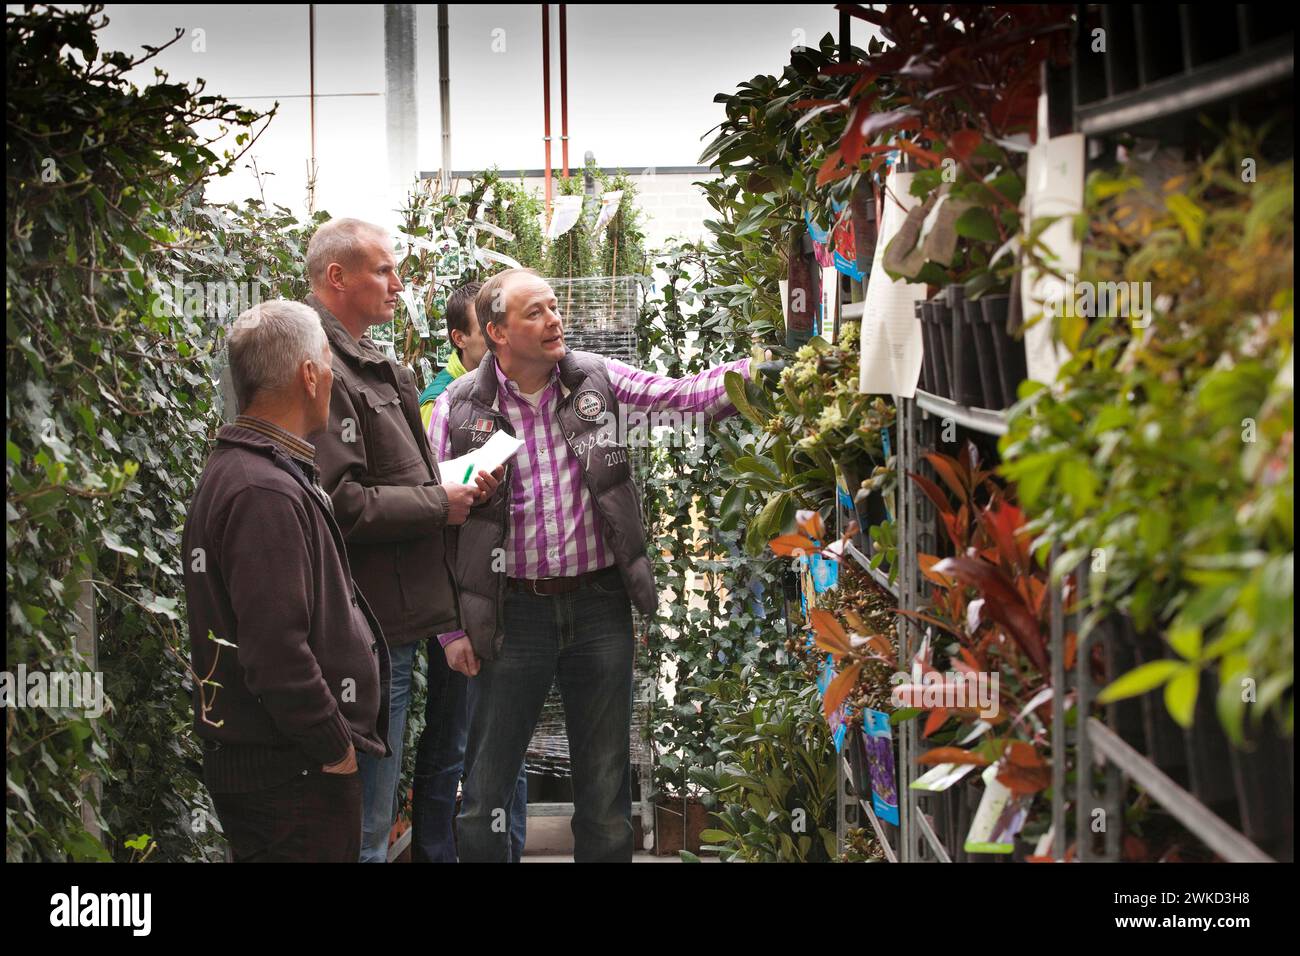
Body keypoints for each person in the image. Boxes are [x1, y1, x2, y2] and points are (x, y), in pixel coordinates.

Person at [427, 267, 756, 862]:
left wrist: (755, 374)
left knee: (605, 796)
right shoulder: (456, 410)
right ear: (497, 332)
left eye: (555, 308)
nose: (555, 320)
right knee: (483, 796)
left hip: (600, 606)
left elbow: (679, 399)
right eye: (536, 313)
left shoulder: (595, 382)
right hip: (510, 613)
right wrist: (451, 629)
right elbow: (432, 529)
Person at [303, 218, 501, 862]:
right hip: (365, 625)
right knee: (363, 827)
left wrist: (459, 486)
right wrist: (435, 503)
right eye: (383, 271)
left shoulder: (368, 360)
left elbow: (390, 480)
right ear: (337, 278)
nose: (398, 283)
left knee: (375, 817)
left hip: (393, 618)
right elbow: (338, 501)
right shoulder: (322, 364)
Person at [182, 299, 387, 862]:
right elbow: (276, 651)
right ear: (309, 375)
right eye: (328, 360)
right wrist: (334, 748)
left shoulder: (257, 471)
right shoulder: (261, 489)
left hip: (287, 768)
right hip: (292, 775)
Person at [412, 281, 528, 862]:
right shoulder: (441, 403)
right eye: (489, 330)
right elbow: (433, 509)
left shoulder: (525, 390)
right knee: (454, 738)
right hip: (463, 603)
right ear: (462, 339)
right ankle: (439, 852)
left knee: (508, 745)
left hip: (514, 602)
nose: (504, 337)